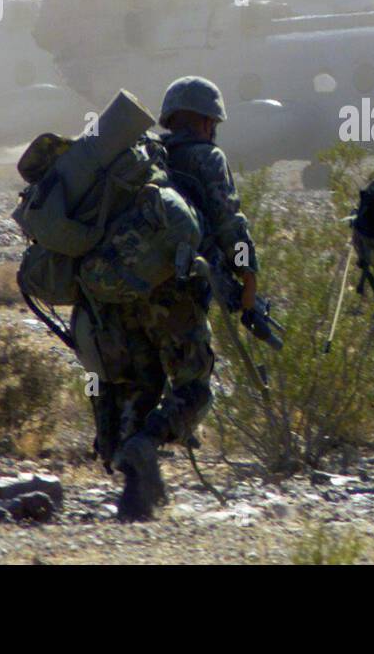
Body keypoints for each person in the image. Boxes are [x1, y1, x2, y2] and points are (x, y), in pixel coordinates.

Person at [109, 76, 259, 518]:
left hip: (122, 293)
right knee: (193, 390)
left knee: (141, 387)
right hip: (175, 295)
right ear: (205, 121)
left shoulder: (139, 160)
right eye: (212, 122)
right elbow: (232, 225)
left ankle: (136, 500)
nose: (214, 130)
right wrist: (248, 282)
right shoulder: (207, 158)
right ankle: (144, 446)